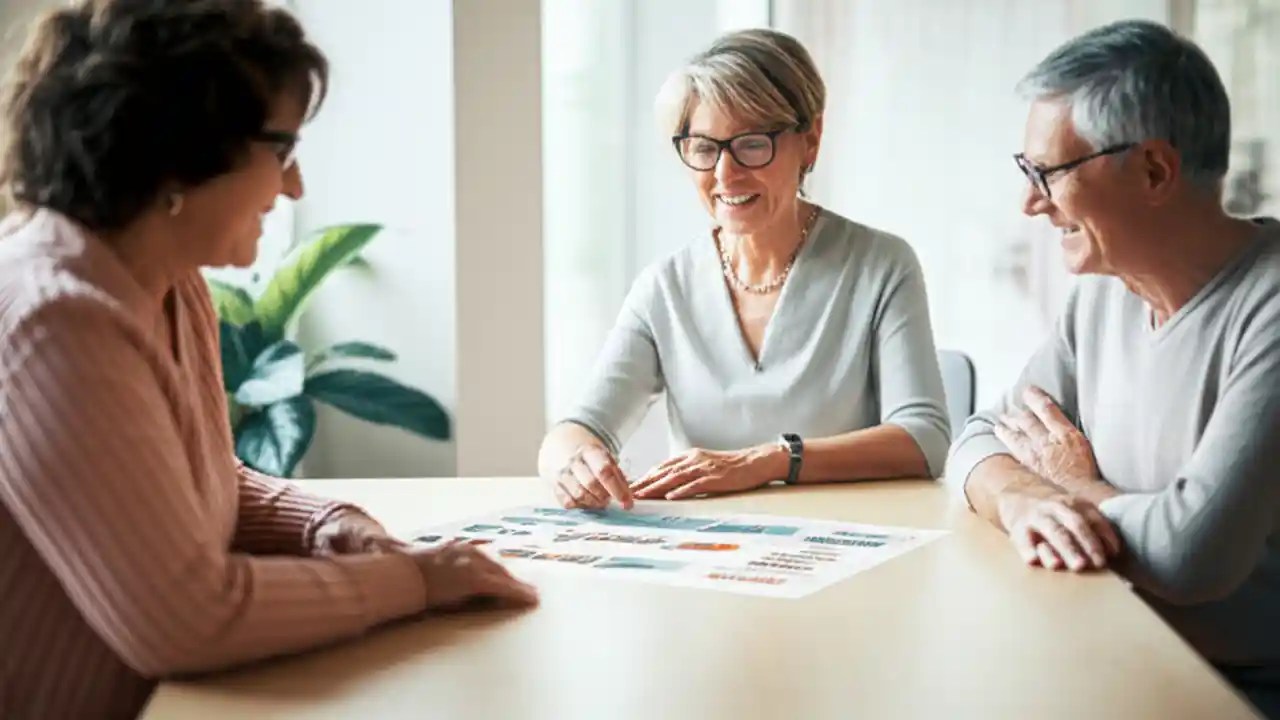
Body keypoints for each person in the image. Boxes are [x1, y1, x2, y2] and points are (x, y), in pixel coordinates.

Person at [0, 2, 535, 717]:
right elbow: (184, 620)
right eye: (282, 149)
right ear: (180, 149)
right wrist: (418, 581)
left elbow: (195, 482)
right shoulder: (55, 322)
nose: (295, 186)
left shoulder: (169, 278)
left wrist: (325, 523)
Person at [945, 19, 1280, 718]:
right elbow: (974, 440)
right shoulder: (1103, 295)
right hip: (1109, 650)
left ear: (1154, 170)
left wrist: (1074, 484)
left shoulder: (1268, 306)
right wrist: (1023, 497)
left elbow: (1190, 555)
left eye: (1049, 173)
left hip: (1235, 693)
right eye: (1027, 169)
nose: (1030, 201)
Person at [538, 28, 949, 510]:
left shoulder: (880, 265)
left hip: (846, 537)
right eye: (703, 148)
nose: (724, 174)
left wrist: (770, 461)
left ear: (811, 140)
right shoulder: (664, 288)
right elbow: (576, 430)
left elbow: (924, 439)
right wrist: (575, 463)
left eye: (752, 144)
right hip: (708, 545)